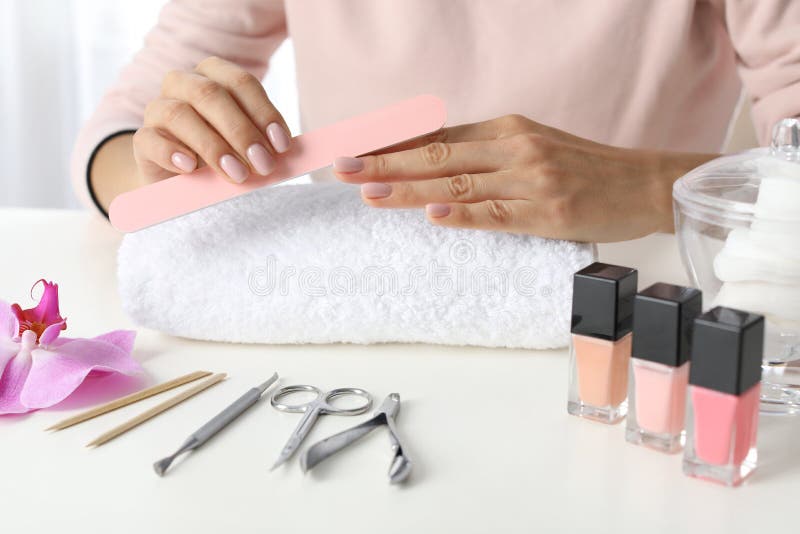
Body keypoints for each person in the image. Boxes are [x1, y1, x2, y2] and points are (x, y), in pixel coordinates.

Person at [72, 0, 800, 242]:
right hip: (359, 319)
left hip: (634, 325)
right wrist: (160, 170)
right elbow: (117, 133)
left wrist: (657, 188)